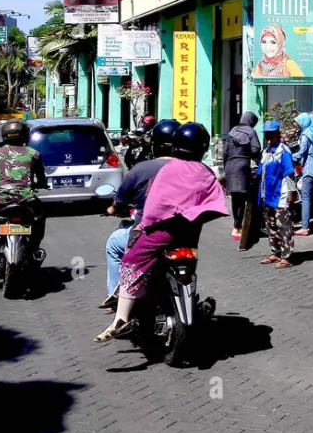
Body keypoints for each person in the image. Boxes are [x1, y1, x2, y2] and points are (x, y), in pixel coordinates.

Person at [95, 122, 228, 342]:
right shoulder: (206, 171)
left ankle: (121, 317)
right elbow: (215, 202)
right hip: (189, 235)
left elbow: (156, 205)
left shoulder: (167, 170)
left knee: (130, 260)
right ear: (203, 148)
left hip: (160, 234)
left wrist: (143, 225)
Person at [100, 118, 177, 311]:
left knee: (114, 244)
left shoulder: (141, 168)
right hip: (183, 234)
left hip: (148, 234)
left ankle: (117, 299)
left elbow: (119, 202)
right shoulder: (193, 169)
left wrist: (111, 210)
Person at [0, 120, 48, 267]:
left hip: (0, 200)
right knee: (39, 217)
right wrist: (42, 184)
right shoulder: (34, 154)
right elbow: (41, 177)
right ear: (25, 136)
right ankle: (34, 249)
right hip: (26, 200)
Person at [252, 120, 298, 268]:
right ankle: (275, 252)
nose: (268, 137)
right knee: (270, 225)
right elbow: (261, 173)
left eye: (271, 134)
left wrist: (291, 192)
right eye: (266, 134)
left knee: (283, 226)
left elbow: (289, 174)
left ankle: (286, 256)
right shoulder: (266, 152)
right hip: (267, 195)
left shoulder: (284, 152)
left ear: (277, 134)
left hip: (281, 195)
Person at [222, 111, 262, 240]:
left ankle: (237, 226)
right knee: (246, 198)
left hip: (230, 166)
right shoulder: (250, 132)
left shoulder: (232, 131)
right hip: (242, 165)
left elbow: (225, 152)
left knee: (235, 198)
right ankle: (244, 227)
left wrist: (227, 167)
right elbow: (255, 149)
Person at [292, 111, 313, 236]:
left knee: (305, 199)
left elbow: (302, 152)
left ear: (304, 122)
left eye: (299, 123)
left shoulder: (306, 135)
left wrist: (290, 156)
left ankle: (305, 227)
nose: (298, 126)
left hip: (309, 170)